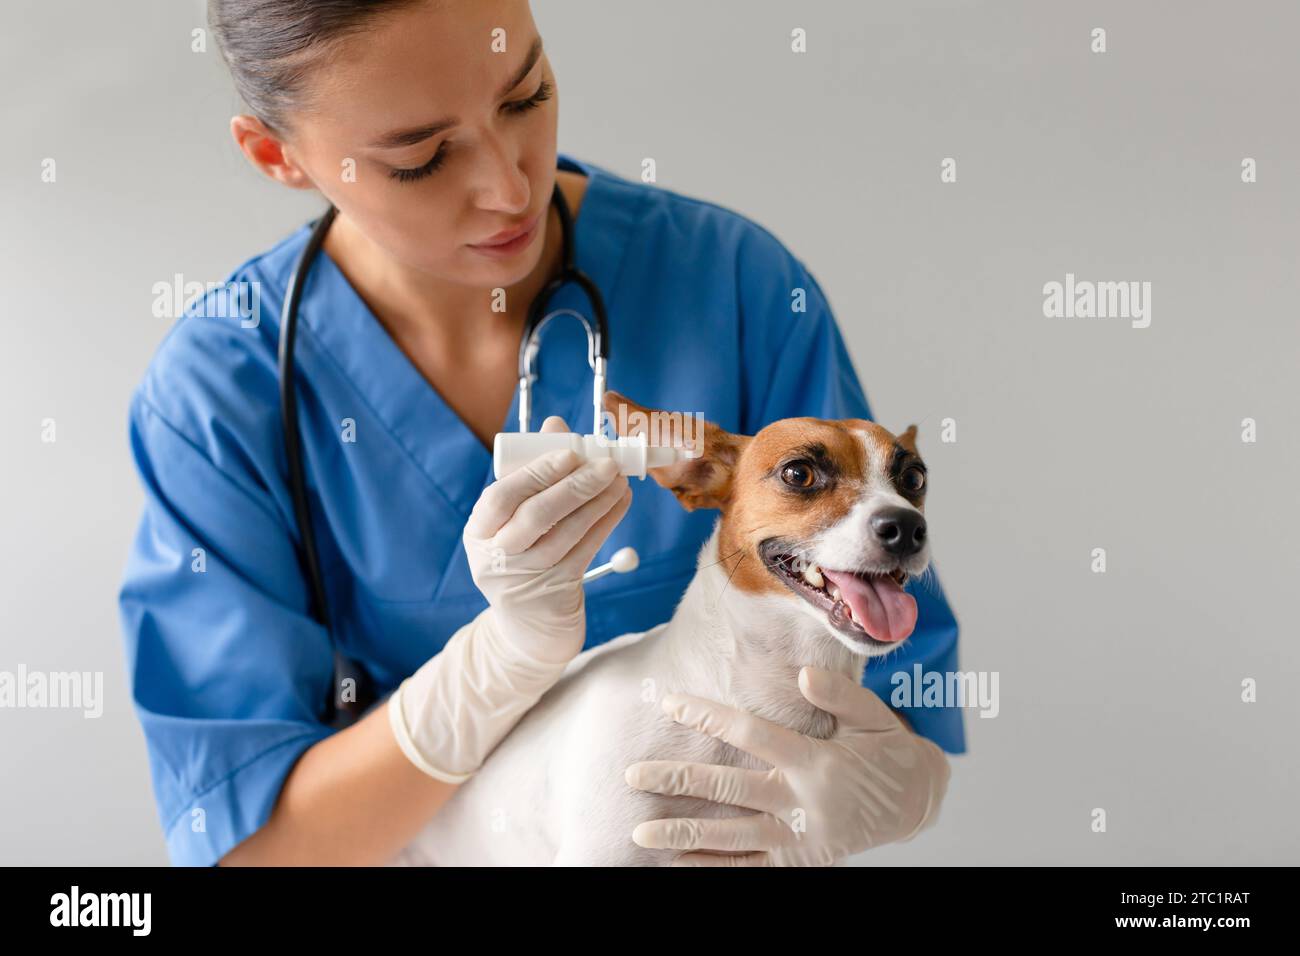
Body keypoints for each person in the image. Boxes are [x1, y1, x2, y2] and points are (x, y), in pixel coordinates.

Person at [118, 0, 965, 867]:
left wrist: (900, 782)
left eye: (525, 97)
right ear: (278, 154)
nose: (511, 187)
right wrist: (494, 668)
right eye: (422, 157)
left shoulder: (737, 287)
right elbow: (248, 847)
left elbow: (897, 662)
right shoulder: (222, 397)